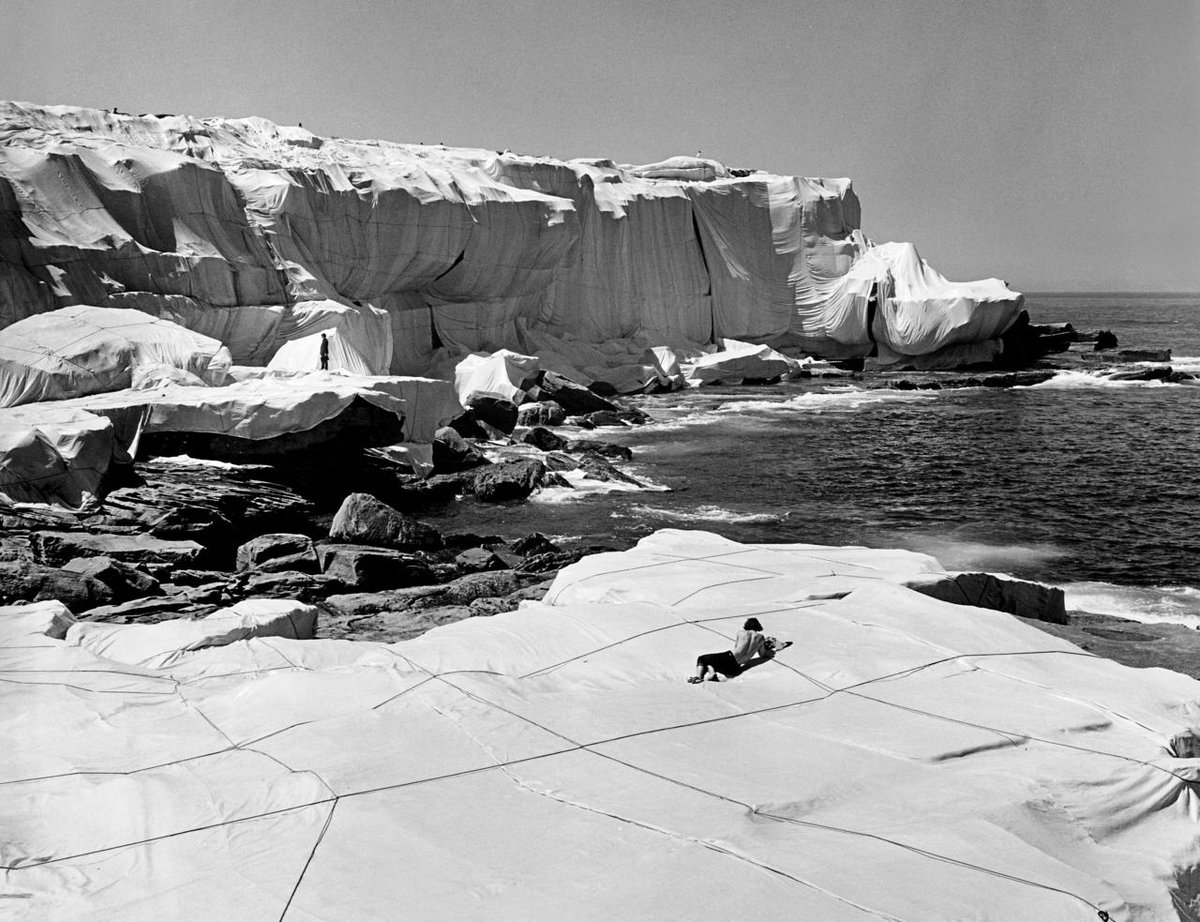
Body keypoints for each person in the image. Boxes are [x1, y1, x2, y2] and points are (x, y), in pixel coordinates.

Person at [689, 617, 789, 683]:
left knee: (703, 658)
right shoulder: (761, 638)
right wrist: (769, 648)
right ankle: (713, 674)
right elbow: (762, 654)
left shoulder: (741, 633)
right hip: (736, 668)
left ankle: (699, 677)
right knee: (714, 663)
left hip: (730, 657)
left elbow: (737, 647)